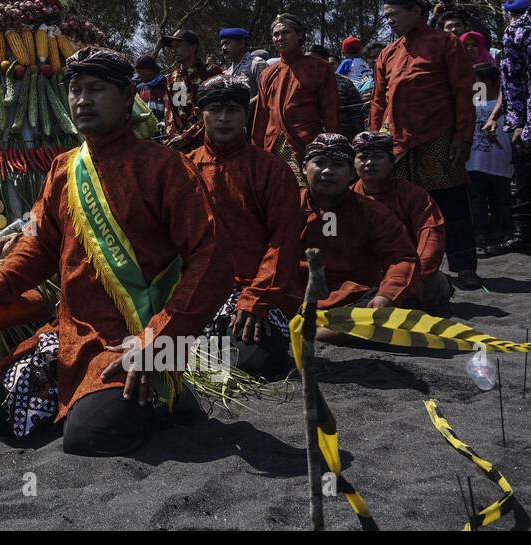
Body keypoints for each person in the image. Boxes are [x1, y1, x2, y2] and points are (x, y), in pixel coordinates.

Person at [0, 48, 231, 456]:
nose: (82, 99)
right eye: (76, 90)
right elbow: (38, 241)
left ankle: (165, 397)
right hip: (73, 332)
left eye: (96, 89)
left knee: (88, 438)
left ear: (126, 99)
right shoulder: (64, 168)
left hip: (134, 338)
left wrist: (157, 339)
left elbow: (212, 259)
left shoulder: (163, 167)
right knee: (0, 414)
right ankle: (100, 400)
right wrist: (1, 281)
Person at [188, 76, 303, 379]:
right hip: (197, 289)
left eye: (233, 111)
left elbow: (285, 240)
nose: (224, 118)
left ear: (246, 115)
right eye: (214, 109)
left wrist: (257, 297)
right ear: (201, 115)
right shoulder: (184, 168)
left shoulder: (271, 169)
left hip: (255, 288)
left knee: (255, 362)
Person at [371, 0, 481, 290]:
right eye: (386, 17)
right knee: (401, 208)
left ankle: (464, 266)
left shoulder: (445, 43)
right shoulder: (387, 53)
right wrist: (374, 139)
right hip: (397, 142)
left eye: (394, 14)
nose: (389, 21)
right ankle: (410, 267)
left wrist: (463, 137)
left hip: (439, 137)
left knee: (450, 203)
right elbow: (379, 101)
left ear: (416, 11)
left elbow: (464, 91)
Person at [297, 134, 418, 342]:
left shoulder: (374, 212)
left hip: (354, 297)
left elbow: (401, 257)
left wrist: (386, 295)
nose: (327, 171)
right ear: (303, 167)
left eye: (337, 164)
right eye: (319, 163)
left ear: (352, 173)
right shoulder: (286, 206)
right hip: (296, 294)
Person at [351, 131, 452, 314]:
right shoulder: (345, 198)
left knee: (436, 284)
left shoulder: (415, 196)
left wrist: (408, 279)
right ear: (353, 163)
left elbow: (431, 237)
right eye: (363, 157)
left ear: (392, 162)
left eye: (377, 157)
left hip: (409, 271)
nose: (369, 163)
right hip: (363, 274)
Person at [251, 14, 339, 182]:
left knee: (307, 191)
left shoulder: (319, 68)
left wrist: (332, 145)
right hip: (273, 144)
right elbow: (261, 116)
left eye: (286, 32)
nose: (280, 38)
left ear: (299, 35)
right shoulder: (267, 74)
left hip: (308, 141)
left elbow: (330, 111)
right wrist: (256, 151)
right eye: (276, 35)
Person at [467, 63, 516, 256]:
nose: (475, 85)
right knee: (477, 201)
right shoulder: (472, 105)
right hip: (474, 163)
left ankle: (504, 233)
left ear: (492, 83)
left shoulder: (505, 106)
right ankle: (480, 234)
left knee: (502, 201)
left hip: (500, 165)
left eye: (478, 81)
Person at [499, 0, 531, 250]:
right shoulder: (517, 29)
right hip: (529, 123)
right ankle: (524, 236)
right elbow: (513, 81)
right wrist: (518, 123)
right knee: (523, 179)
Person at [159, 29, 222, 152]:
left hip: (209, 145)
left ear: (193, 47)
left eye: (178, 46)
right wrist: (174, 137)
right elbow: (171, 112)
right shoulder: (172, 78)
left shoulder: (212, 73)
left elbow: (216, 111)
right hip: (180, 148)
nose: (174, 51)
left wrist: (187, 136)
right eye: (172, 47)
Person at [308, 44, 366, 138]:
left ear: (325, 60)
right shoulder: (300, 85)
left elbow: (356, 115)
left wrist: (359, 139)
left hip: (343, 139)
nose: (309, 65)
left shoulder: (344, 82)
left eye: (314, 60)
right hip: (312, 141)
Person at [217, 27, 263, 101]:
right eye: (222, 44)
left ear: (241, 43)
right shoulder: (229, 71)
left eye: (227, 43)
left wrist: (247, 106)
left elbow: (267, 92)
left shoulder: (256, 64)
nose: (223, 48)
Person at [134, 55, 168, 129]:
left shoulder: (168, 86)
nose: (138, 76)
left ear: (149, 70)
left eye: (139, 72)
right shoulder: (140, 88)